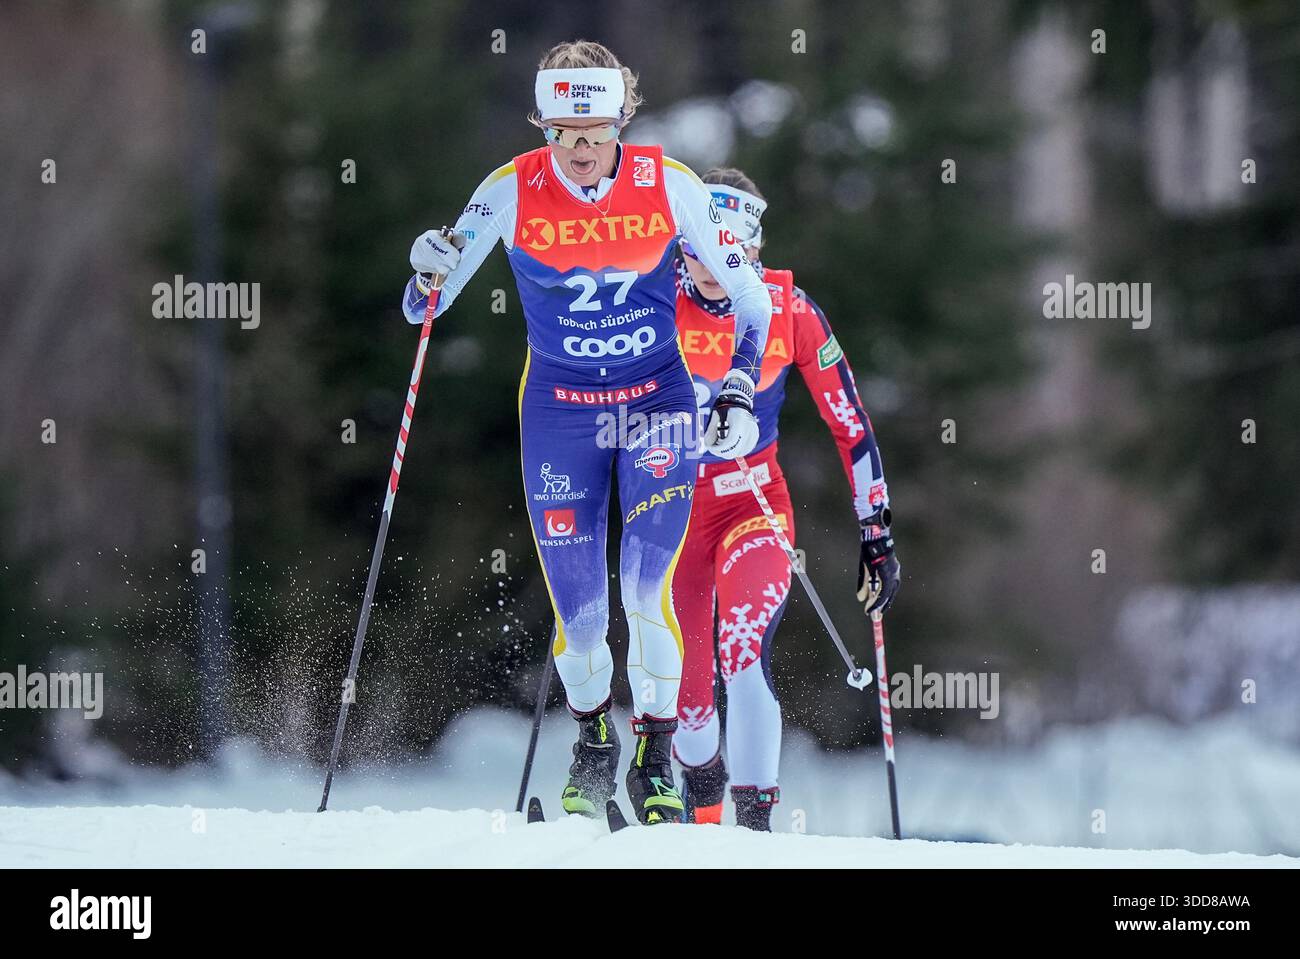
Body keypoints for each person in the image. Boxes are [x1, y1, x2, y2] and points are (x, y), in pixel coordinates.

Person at [402, 43, 773, 824]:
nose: (578, 149)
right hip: (559, 411)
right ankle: (594, 737)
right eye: (562, 131)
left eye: (595, 130)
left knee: (646, 590)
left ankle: (655, 758)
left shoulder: (669, 185)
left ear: (622, 120)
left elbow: (750, 298)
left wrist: (738, 381)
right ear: (542, 123)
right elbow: (424, 311)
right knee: (578, 618)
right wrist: (425, 270)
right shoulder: (508, 191)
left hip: (657, 404)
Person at [670, 168, 901, 830]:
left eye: (731, 254)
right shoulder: (654, 299)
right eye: (699, 251)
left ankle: (755, 829)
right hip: (672, 510)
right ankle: (701, 817)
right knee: (688, 693)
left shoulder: (787, 308)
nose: (714, 268)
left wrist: (876, 533)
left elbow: (850, 424)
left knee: (743, 650)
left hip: (753, 502)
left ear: (753, 250)